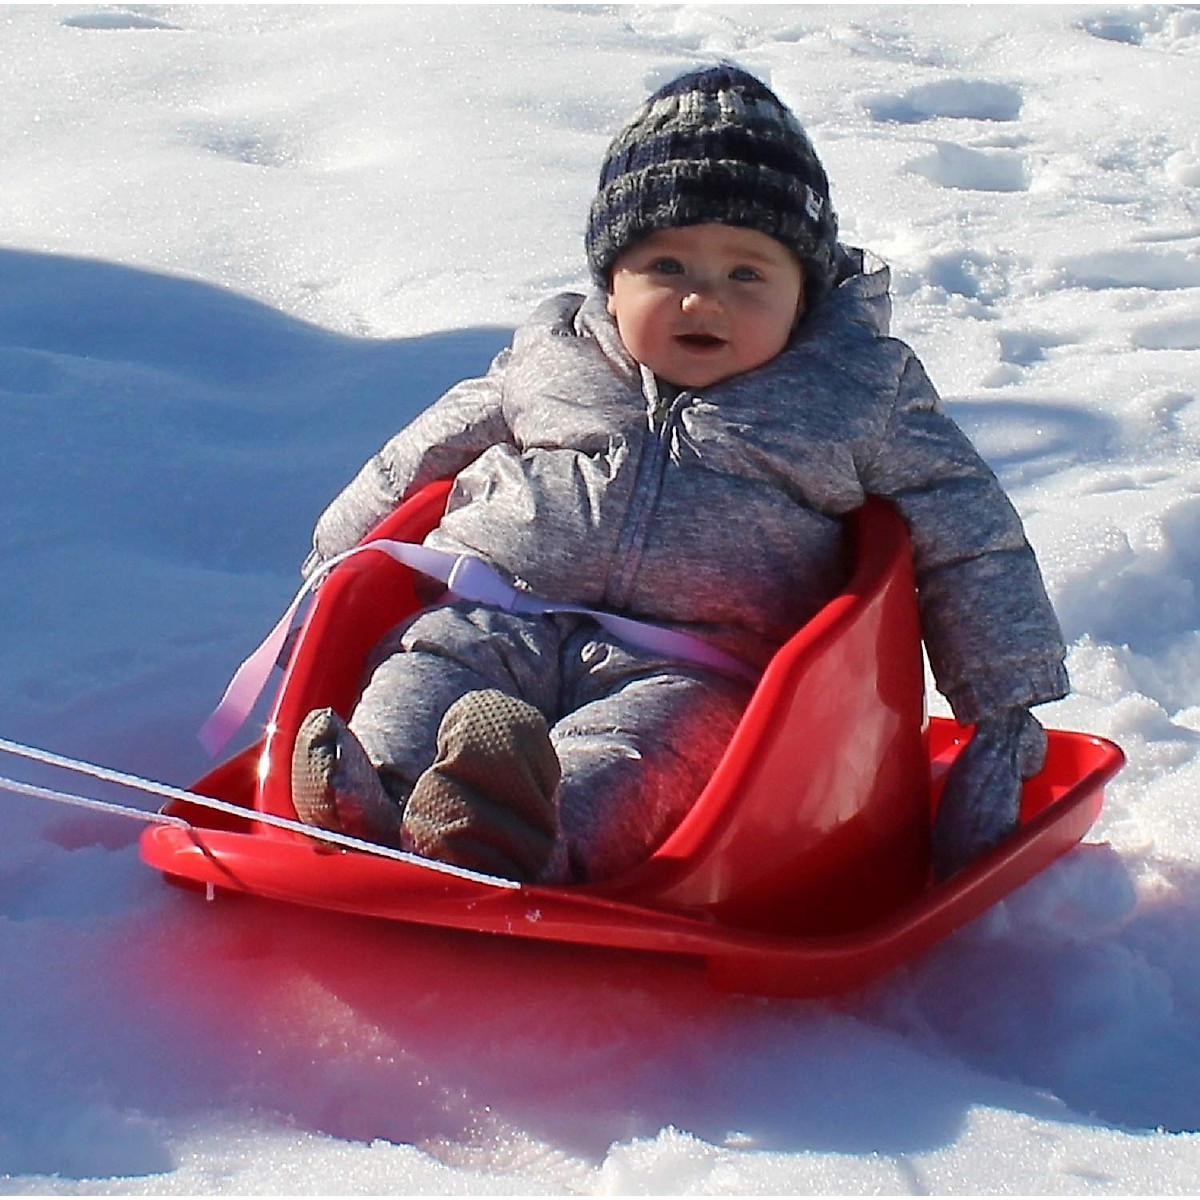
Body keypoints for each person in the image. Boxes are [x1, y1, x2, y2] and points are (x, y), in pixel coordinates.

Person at [291, 65, 1068, 886]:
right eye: (667, 268)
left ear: (802, 294)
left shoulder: (855, 392)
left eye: (746, 274)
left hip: (698, 664)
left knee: (640, 756)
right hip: (494, 613)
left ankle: (527, 836)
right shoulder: (554, 356)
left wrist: (1002, 710)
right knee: (420, 672)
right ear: (611, 281)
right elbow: (418, 456)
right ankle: (375, 797)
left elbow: (969, 535)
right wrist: (328, 573)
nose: (704, 301)